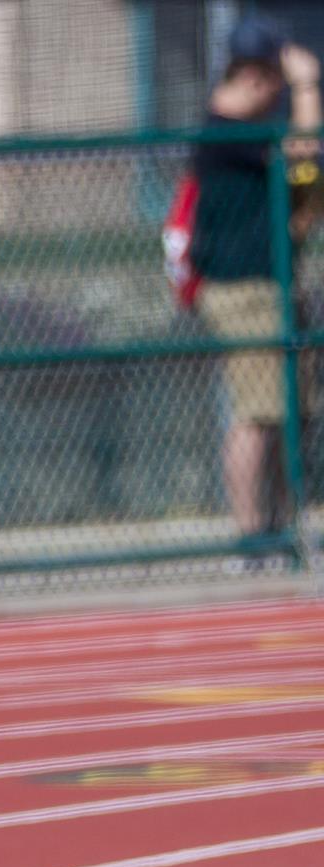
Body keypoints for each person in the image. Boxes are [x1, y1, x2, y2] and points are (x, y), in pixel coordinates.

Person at [192, 16, 322, 543]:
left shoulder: (245, 128)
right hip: (244, 289)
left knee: (285, 411)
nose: (277, 97)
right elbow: (304, 153)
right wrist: (308, 86)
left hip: (268, 284)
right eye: (273, 83)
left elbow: (304, 180)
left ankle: (279, 527)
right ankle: (252, 535)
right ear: (253, 78)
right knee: (258, 413)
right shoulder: (229, 128)